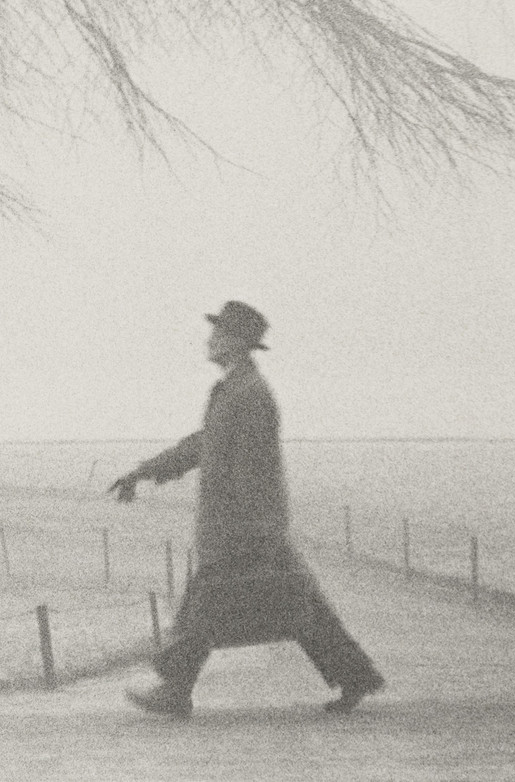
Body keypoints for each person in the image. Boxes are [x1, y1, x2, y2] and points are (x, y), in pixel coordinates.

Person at [108, 300, 384, 717]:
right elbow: (204, 444)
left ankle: (174, 689)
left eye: (216, 334)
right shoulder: (236, 390)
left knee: (206, 604)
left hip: (244, 529)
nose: (208, 340)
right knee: (299, 607)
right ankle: (356, 677)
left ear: (235, 343)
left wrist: (254, 531)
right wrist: (145, 472)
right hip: (246, 528)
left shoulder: (250, 394)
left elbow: (256, 470)